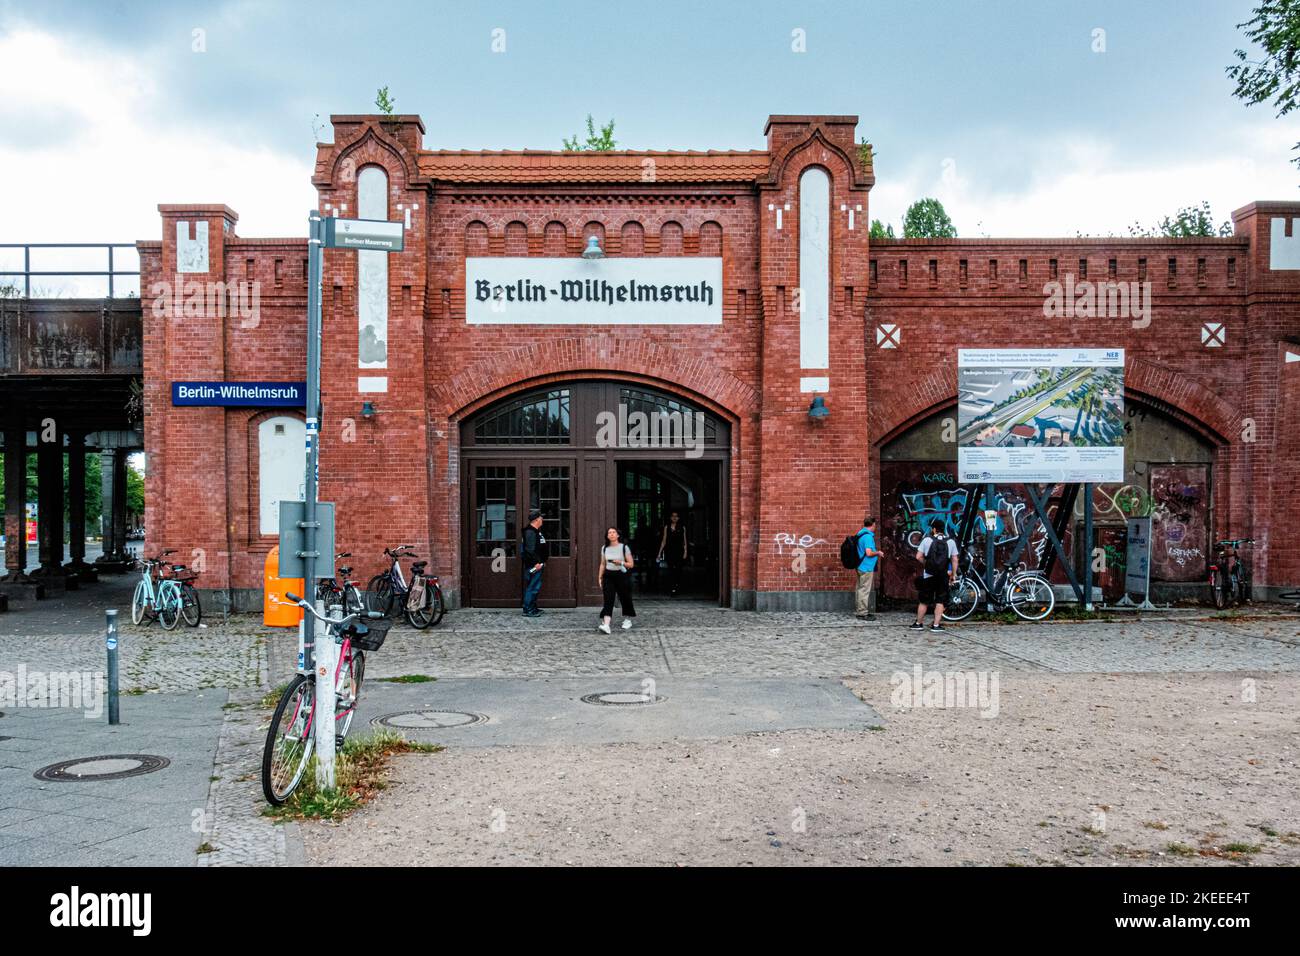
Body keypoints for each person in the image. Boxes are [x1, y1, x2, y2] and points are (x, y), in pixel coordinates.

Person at [912, 518, 958, 631]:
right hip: (943, 575)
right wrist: (953, 574)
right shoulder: (950, 542)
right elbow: (954, 559)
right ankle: (936, 625)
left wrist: (926, 563)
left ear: (934, 529)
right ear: (943, 529)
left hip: (928, 574)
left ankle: (918, 623)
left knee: (924, 600)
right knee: (940, 600)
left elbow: (918, 557)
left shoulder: (927, 540)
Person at [597, 526, 636, 634]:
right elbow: (602, 564)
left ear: (618, 535)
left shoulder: (624, 548)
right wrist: (600, 577)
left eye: (614, 532)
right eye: (609, 532)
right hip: (608, 576)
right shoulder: (604, 548)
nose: (612, 534)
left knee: (625, 597)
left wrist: (621, 562)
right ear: (607, 536)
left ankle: (628, 619)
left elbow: (631, 564)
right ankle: (606, 624)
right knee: (608, 599)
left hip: (621, 575)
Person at [520, 509, 548, 617]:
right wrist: (536, 563)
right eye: (541, 518)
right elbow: (529, 550)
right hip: (534, 565)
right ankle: (528, 609)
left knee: (535, 586)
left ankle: (533, 607)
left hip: (538, 564)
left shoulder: (535, 531)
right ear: (536, 520)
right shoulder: (530, 532)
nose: (542, 519)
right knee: (533, 586)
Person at [854, 515, 882, 621]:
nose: (875, 527)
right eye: (875, 525)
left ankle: (860, 610)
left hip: (860, 565)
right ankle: (862, 613)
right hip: (866, 566)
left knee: (859, 588)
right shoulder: (868, 537)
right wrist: (878, 552)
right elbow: (869, 553)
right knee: (864, 590)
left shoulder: (860, 533)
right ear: (873, 524)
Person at [656, 511, 688, 596]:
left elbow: (684, 541)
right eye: (673, 516)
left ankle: (676, 586)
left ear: (678, 518)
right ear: (670, 518)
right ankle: (673, 587)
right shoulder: (667, 527)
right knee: (671, 570)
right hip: (669, 551)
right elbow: (664, 540)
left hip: (679, 551)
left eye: (676, 516)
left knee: (678, 570)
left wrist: (685, 551)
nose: (674, 518)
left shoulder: (682, 527)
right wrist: (659, 553)